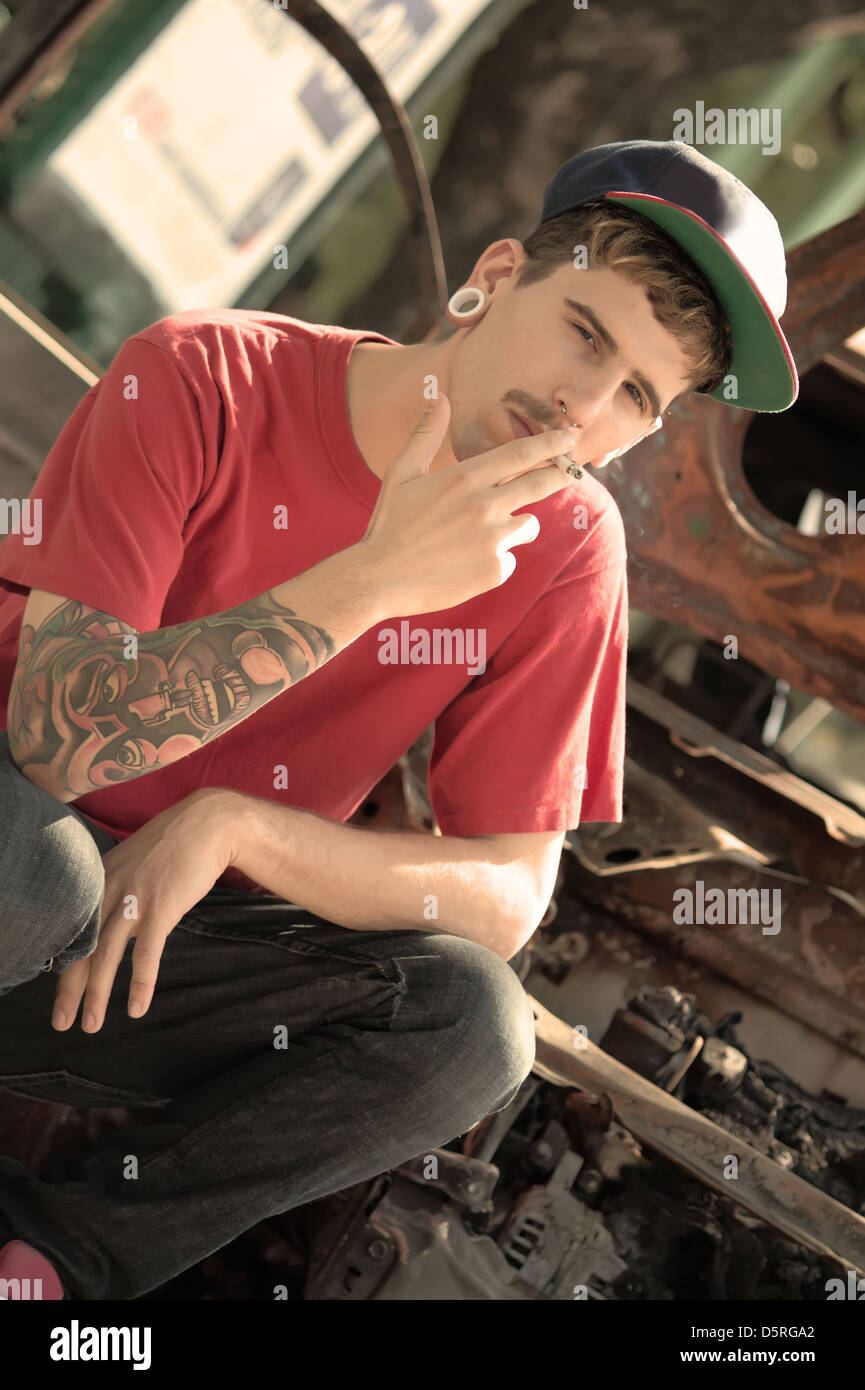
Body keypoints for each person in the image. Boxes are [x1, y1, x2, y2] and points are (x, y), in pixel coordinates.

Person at [0, 139, 798, 1300]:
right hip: (14, 838)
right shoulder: (204, 373)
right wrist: (374, 579)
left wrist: (239, 828)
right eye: (584, 330)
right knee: (43, 877)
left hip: (125, 962)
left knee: (472, 1027)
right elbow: (53, 740)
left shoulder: (569, 552)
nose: (582, 402)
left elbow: (509, 894)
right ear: (494, 273)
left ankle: (51, 1263)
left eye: (635, 393)